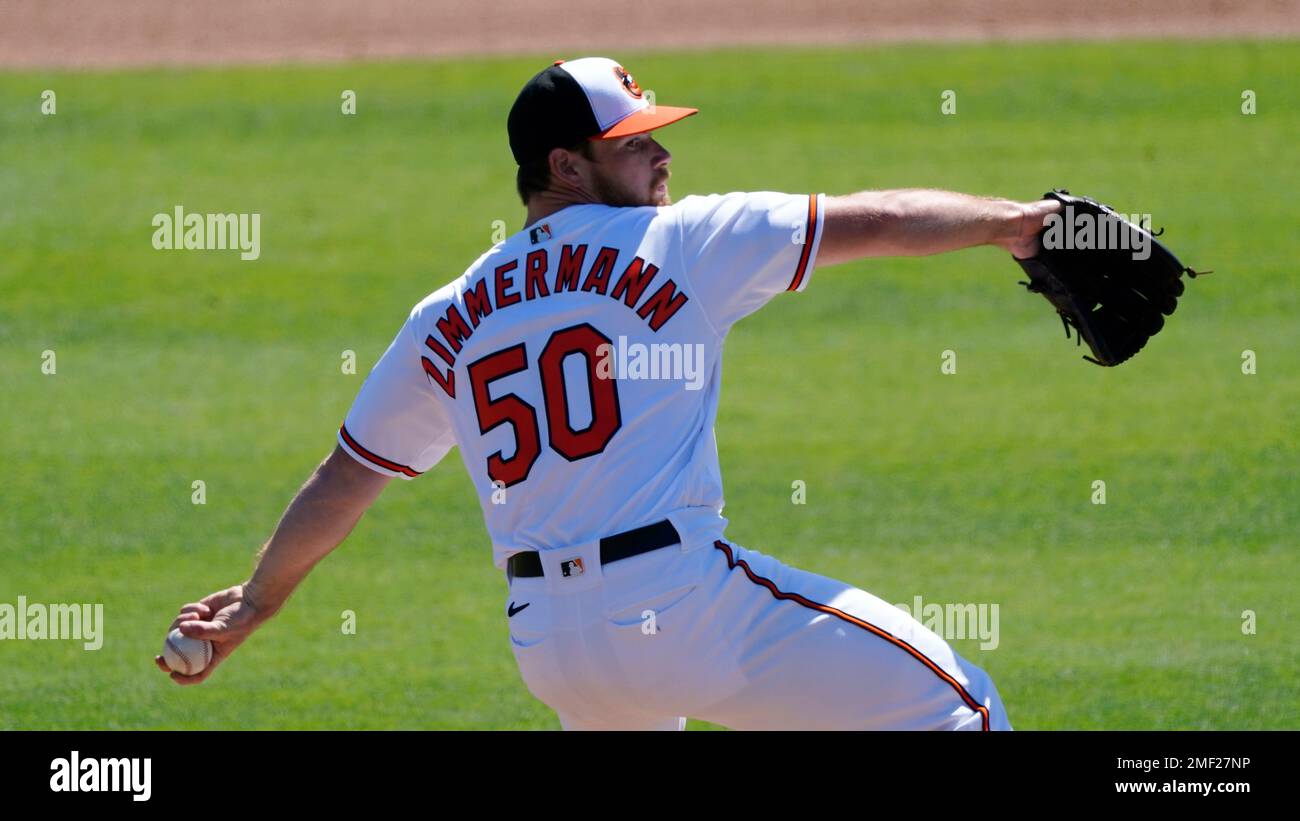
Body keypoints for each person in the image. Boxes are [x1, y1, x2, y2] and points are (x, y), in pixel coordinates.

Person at [156, 56, 1060, 730]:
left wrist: (258, 599)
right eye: (634, 143)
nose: (661, 155)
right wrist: (1019, 225)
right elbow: (883, 219)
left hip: (550, 645)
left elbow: (347, 475)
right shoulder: (680, 241)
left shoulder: (450, 311)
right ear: (567, 166)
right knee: (959, 708)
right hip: (683, 606)